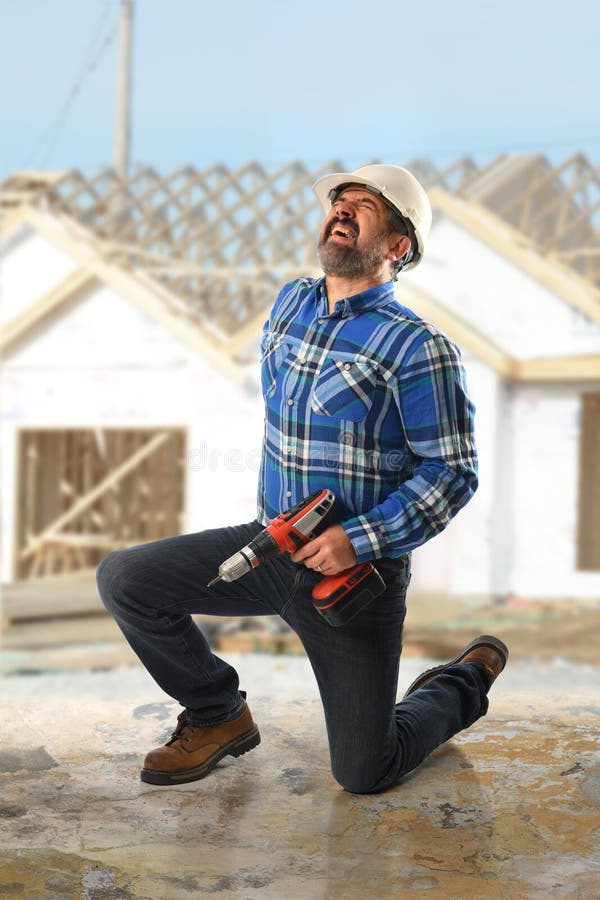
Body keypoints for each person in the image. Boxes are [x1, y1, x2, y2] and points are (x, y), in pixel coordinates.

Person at [97, 164, 508, 794]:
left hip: (353, 578)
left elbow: (452, 474)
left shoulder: (418, 348)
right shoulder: (291, 303)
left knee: (366, 772)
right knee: (126, 580)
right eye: (338, 202)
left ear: (400, 245)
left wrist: (360, 538)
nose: (341, 211)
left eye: (364, 205)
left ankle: (459, 684)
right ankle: (217, 714)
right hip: (269, 546)